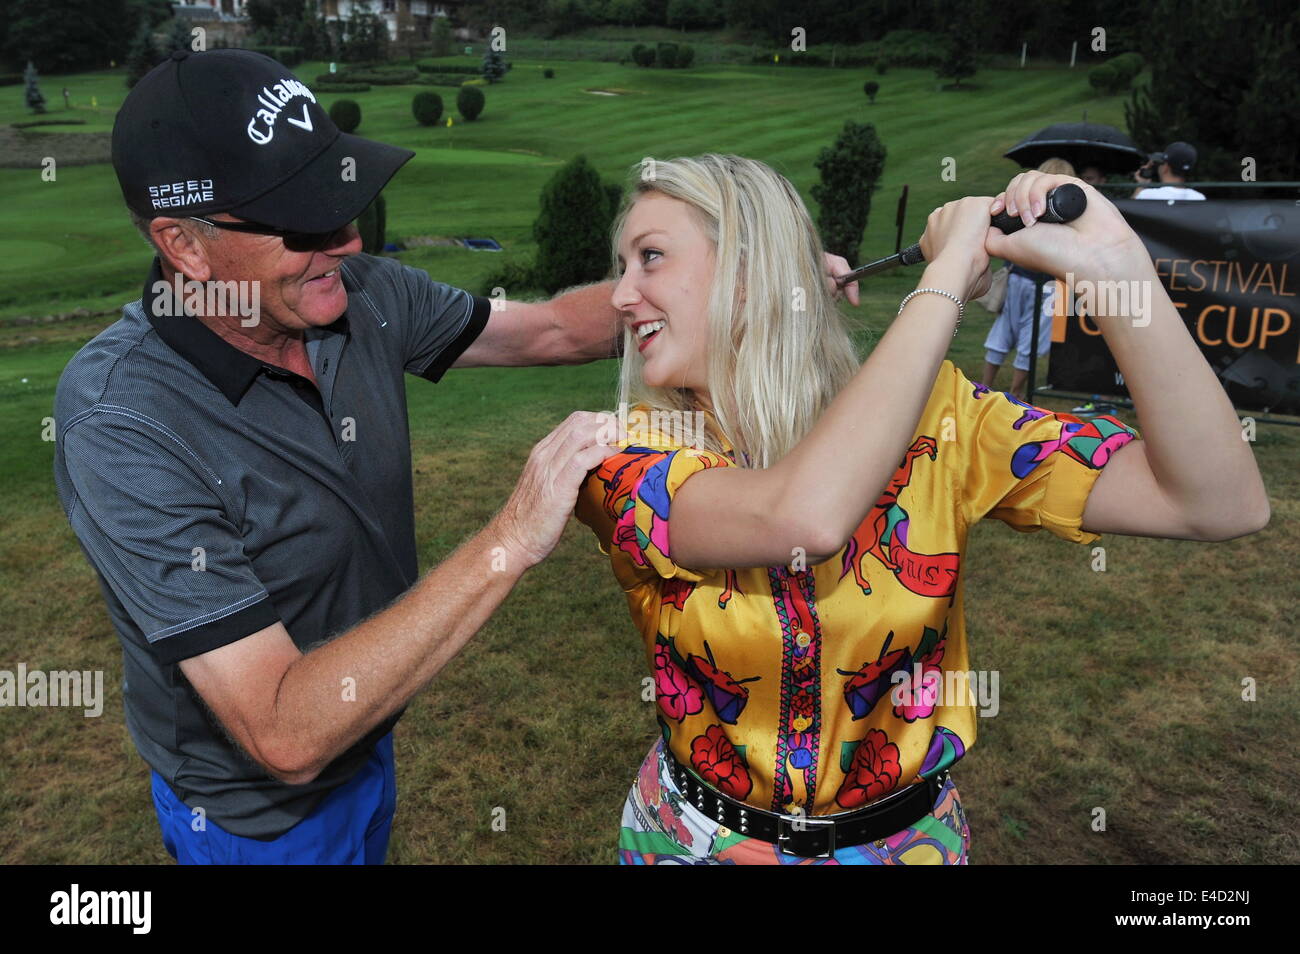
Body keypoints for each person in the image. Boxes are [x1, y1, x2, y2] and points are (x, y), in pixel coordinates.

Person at [51, 50, 853, 864]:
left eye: (345, 202)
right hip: (255, 818)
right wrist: (511, 536)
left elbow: (550, 328)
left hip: (366, 734)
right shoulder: (121, 420)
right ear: (184, 245)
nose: (350, 240)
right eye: (306, 223)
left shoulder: (360, 295)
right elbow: (284, 731)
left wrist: (748, 281)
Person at [574, 154, 1269, 865]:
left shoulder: (944, 419)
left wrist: (1118, 269)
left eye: (649, 258)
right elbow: (803, 520)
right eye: (624, 264)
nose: (622, 295)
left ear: (751, 272)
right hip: (688, 844)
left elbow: (1217, 501)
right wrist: (942, 284)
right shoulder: (618, 456)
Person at [980, 158, 1072, 399]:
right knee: (1032, 338)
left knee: (1004, 330)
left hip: (1019, 276)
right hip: (1051, 284)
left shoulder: (1026, 204)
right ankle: (1016, 394)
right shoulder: (1067, 212)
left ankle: (984, 387)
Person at [1132, 142, 1206, 200]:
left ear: (1166, 167)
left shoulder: (1147, 195)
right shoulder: (1198, 198)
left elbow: (1128, 216)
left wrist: (1141, 185)